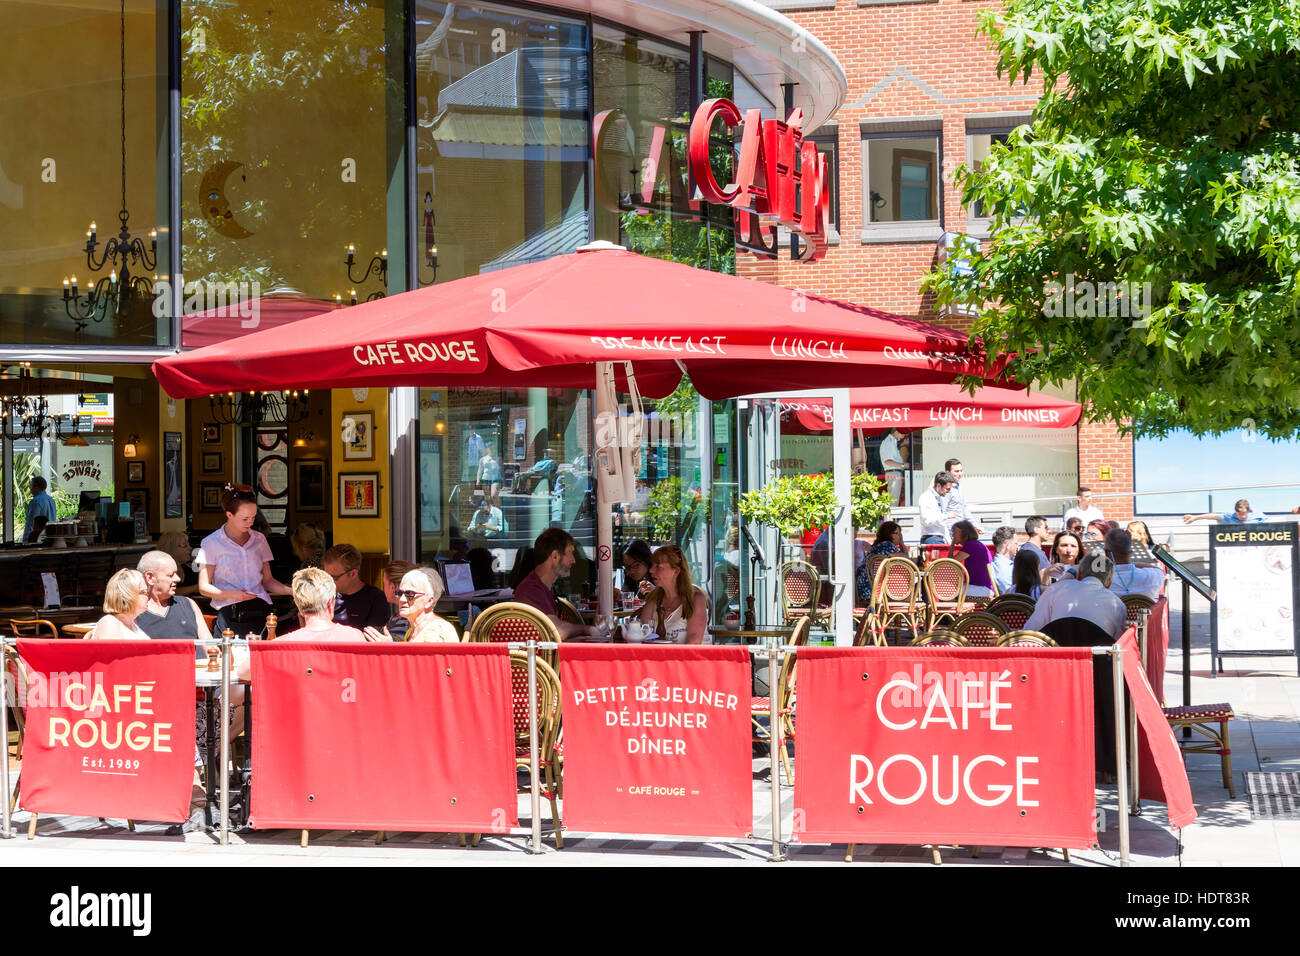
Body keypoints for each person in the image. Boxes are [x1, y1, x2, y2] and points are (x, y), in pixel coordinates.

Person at [239, 568, 387, 681]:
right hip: (341, 718)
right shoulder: (354, 637)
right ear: (331, 603)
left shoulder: (280, 645)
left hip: (298, 719)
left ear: (299, 606)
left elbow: (243, 673)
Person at [197, 483, 292, 636]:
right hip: (229, 613)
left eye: (254, 517)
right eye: (245, 518)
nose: (251, 523)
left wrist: (292, 591)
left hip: (261, 610)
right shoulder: (211, 543)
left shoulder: (259, 540)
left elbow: (268, 581)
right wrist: (233, 594)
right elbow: (203, 587)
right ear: (229, 515)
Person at [512, 527, 598, 640]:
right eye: (570, 553)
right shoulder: (532, 589)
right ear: (555, 556)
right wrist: (586, 629)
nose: (573, 560)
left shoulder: (541, 586)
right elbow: (556, 631)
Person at [1024, 551, 1128, 640]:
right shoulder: (1118, 605)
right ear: (1109, 584)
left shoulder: (1056, 590)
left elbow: (1030, 631)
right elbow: (1118, 645)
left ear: (1079, 574)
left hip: (1055, 660)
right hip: (1096, 662)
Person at [636, 544, 709, 643]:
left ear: (676, 571)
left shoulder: (696, 598)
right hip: (661, 657)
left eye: (658, 566)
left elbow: (694, 642)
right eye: (652, 565)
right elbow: (641, 636)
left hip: (691, 658)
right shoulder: (654, 599)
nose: (651, 570)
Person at [365, 567, 459, 644]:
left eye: (410, 594)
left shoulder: (437, 631)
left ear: (429, 601)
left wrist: (392, 649)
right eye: (399, 593)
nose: (401, 599)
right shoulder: (412, 631)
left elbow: (423, 665)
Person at [322, 543, 390, 631]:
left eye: (334, 577)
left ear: (353, 573)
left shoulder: (376, 599)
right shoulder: (324, 596)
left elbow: (372, 639)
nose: (328, 582)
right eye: (325, 576)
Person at [89, 568, 150, 639]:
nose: (148, 596)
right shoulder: (109, 623)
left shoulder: (133, 625)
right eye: (144, 592)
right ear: (127, 595)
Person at [1104, 529, 1165, 600]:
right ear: (1131, 551)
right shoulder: (1152, 576)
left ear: (1106, 553)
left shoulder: (1101, 583)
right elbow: (1158, 570)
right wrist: (1134, 564)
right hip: (1147, 611)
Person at [858, 521, 905, 603]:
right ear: (888, 535)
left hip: (865, 589)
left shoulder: (878, 546)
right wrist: (902, 544)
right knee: (906, 587)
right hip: (876, 590)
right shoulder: (887, 545)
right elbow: (907, 560)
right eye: (897, 533)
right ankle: (906, 613)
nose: (900, 536)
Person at [947, 520, 993, 599]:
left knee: (947, 591)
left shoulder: (971, 545)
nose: (953, 535)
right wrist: (952, 544)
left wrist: (952, 544)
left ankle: (950, 611)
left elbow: (951, 564)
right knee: (950, 589)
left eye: (955, 532)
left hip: (982, 589)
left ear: (963, 533)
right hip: (983, 588)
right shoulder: (975, 544)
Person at [379, 559, 417, 640]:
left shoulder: (408, 618)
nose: (383, 588)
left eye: (384, 583)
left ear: (392, 587)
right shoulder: (397, 616)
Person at [918, 471, 956, 545]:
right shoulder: (926, 497)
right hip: (931, 538)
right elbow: (926, 521)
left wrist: (949, 541)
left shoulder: (938, 498)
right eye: (947, 489)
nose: (949, 491)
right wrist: (946, 516)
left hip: (938, 538)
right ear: (938, 486)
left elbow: (941, 523)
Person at [942, 458, 975, 537]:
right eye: (956, 471)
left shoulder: (958, 487)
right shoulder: (946, 489)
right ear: (948, 472)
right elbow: (942, 512)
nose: (960, 474)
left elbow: (964, 509)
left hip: (961, 531)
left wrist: (975, 525)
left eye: (961, 470)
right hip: (951, 531)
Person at [23, 476, 57, 543]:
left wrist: (26, 540)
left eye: (31, 485)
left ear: (37, 487)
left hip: (37, 539)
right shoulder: (51, 500)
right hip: (50, 537)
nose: (30, 488)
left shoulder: (36, 501)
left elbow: (31, 523)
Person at [879, 428, 908, 505]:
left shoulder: (892, 442)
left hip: (894, 473)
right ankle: (891, 517)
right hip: (894, 473)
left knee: (894, 501)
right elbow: (888, 461)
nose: (903, 437)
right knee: (893, 502)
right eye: (903, 434)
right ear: (896, 432)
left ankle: (891, 517)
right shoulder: (888, 442)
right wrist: (903, 465)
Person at [1184, 499, 1267, 524]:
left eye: (1243, 514)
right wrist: (1195, 517)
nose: (1241, 517)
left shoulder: (1259, 516)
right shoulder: (1230, 516)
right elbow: (1213, 516)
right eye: (1239, 514)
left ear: (1249, 511)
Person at [990, 525, 1017, 595]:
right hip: (1018, 603)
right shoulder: (1003, 568)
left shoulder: (1006, 563)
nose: (1017, 547)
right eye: (1016, 543)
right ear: (1007, 545)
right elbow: (1009, 594)